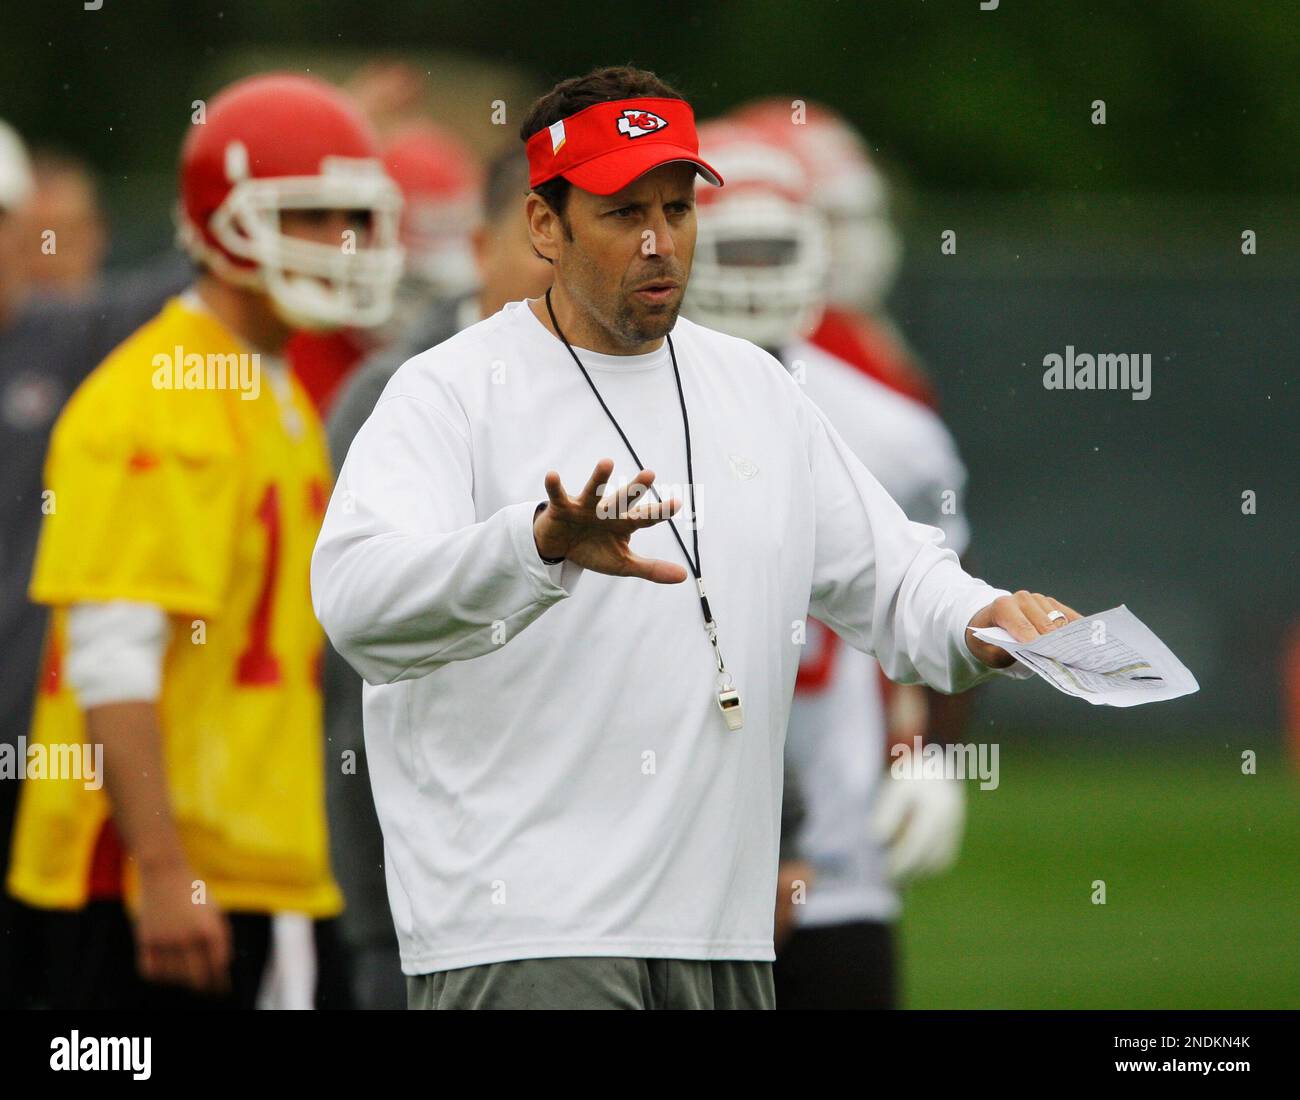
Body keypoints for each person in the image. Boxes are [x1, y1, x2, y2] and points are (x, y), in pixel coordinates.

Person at [311, 64, 1076, 1011]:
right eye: (623, 211)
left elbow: (890, 574)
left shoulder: (754, 390)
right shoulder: (445, 391)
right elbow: (355, 603)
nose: (657, 242)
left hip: (723, 929)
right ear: (543, 226)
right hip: (525, 932)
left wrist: (982, 619)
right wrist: (535, 545)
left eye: (676, 209)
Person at [5, 73, 403, 1009]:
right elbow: (112, 662)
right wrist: (161, 867)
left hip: (256, 864)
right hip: (153, 882)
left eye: (352, 214)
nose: (340, 243)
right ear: (225, 221)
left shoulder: (268, 385)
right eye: (309, 215)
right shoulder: (162, 395)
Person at [684, 118, 971, 1008]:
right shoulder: (624, 407)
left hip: (839, 851)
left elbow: (933, 611)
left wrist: (925, 751)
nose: (756, 276)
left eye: (778, 250)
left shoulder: (890, 429)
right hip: (675, 845)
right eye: (736, 250)